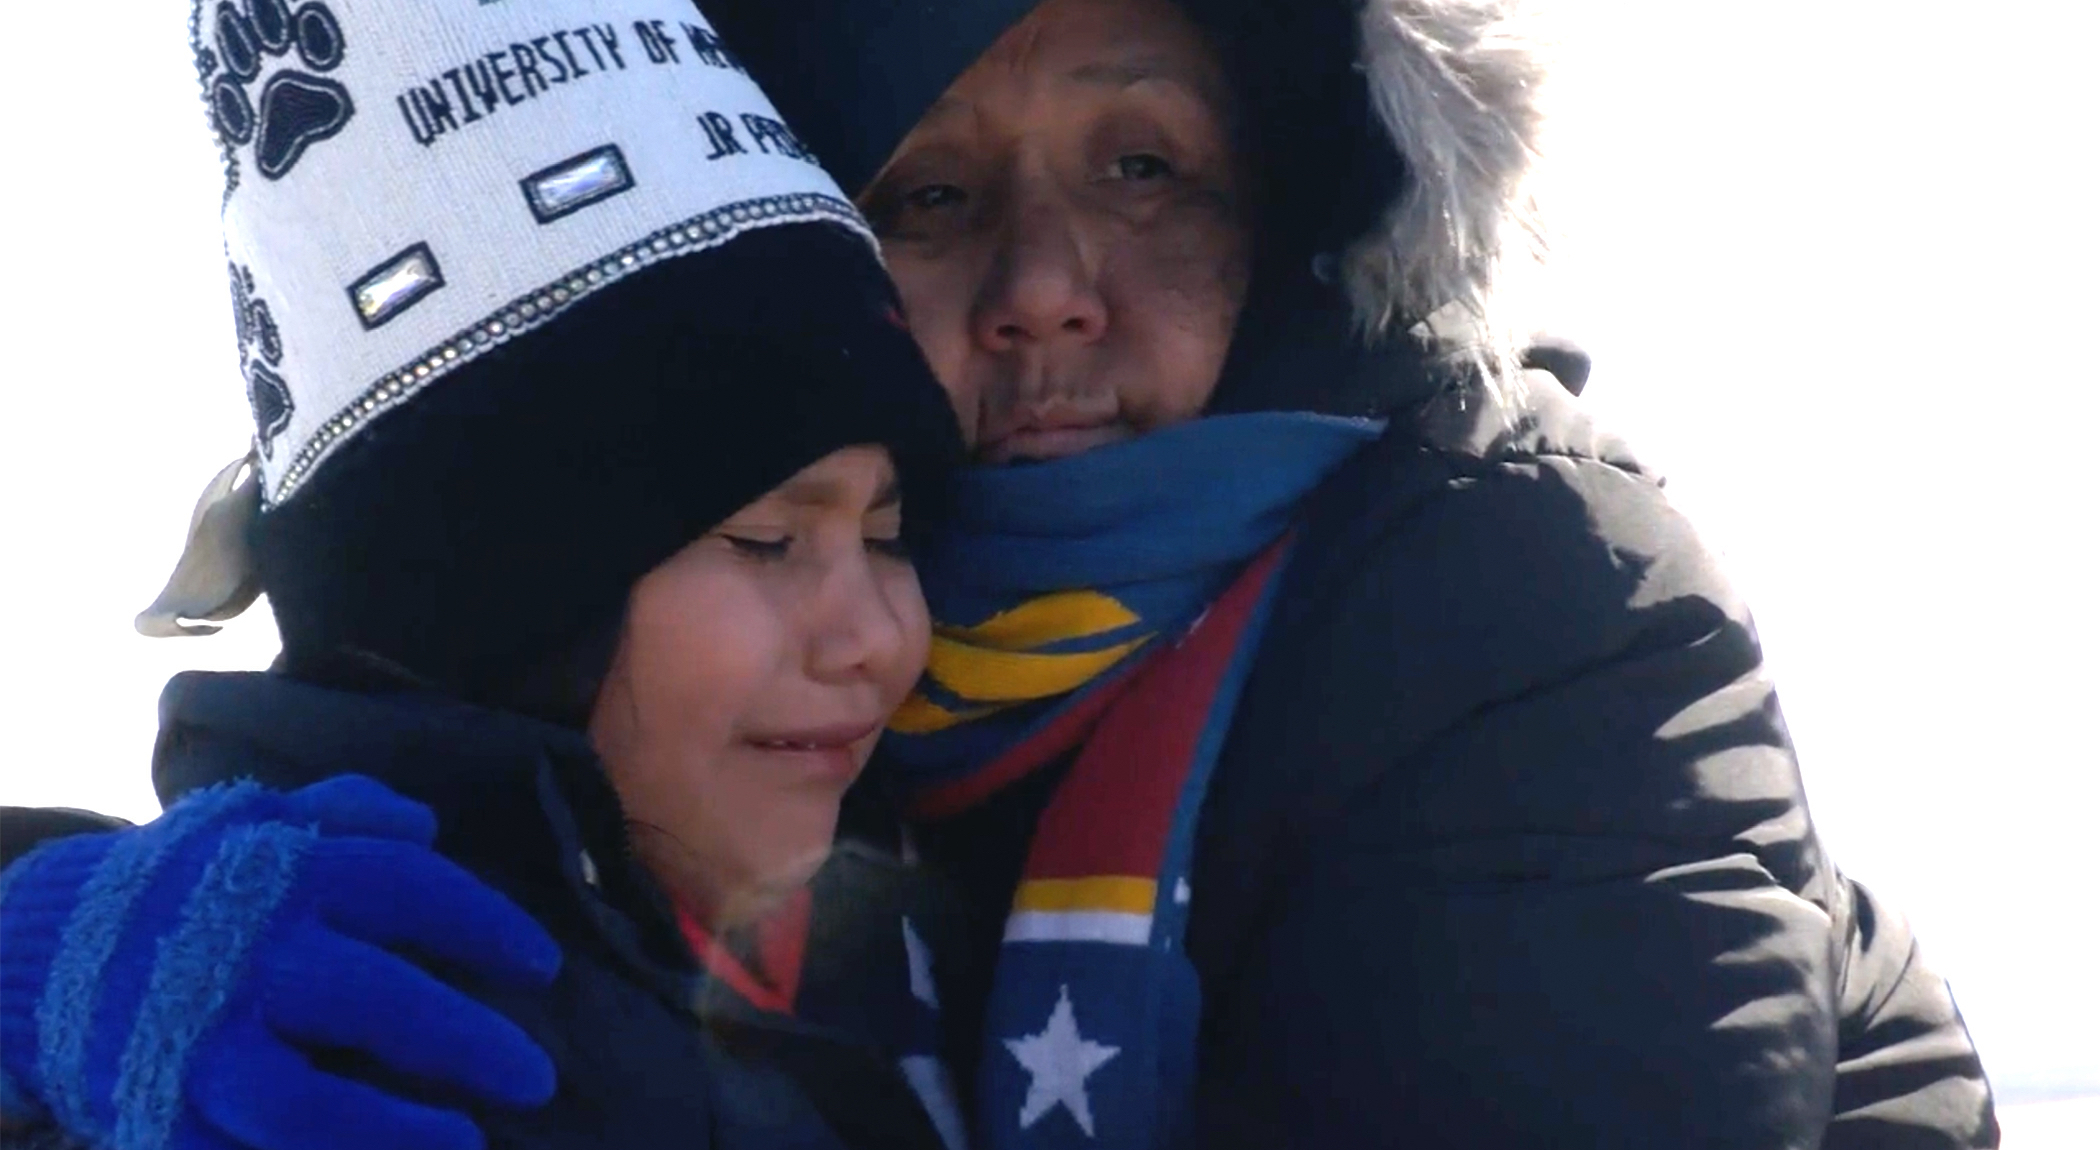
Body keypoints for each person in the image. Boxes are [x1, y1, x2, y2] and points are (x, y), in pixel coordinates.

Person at [5, 0, 2002, 1148]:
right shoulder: (731, 680)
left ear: (1291, 210)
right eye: (936, 192)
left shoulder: (1514, 593)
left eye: (1147, 170)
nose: (1051, 292)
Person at [0, 1, 966, 1148]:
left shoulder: (796, 952)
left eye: (888, 534)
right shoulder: (367, 1059)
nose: (875, 637)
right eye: (766, 539)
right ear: (499, 590)